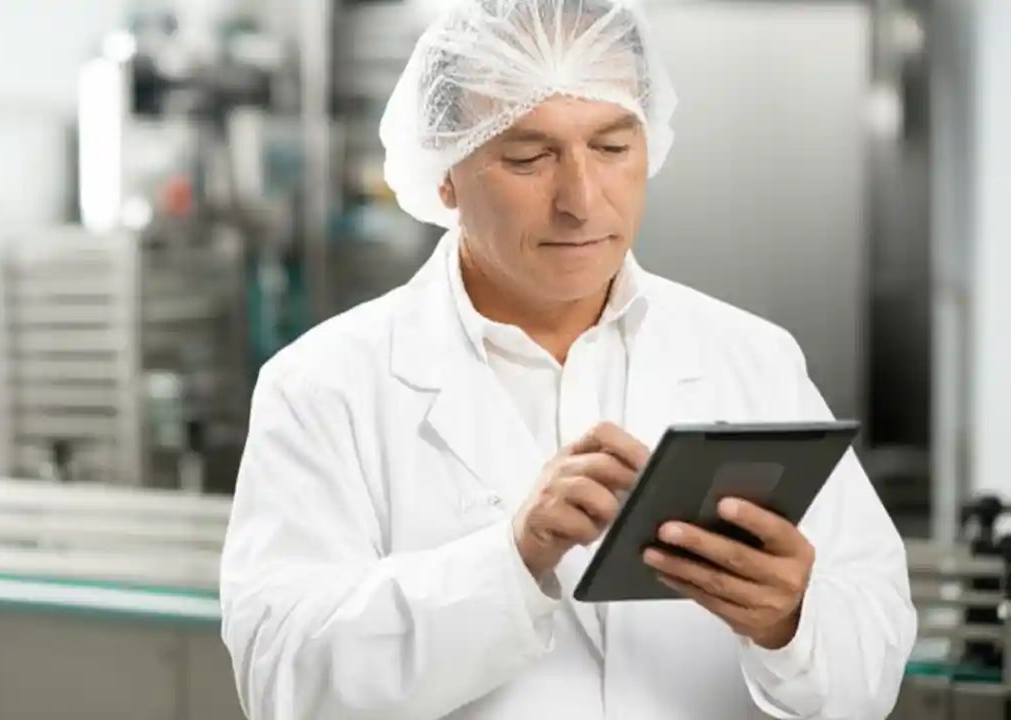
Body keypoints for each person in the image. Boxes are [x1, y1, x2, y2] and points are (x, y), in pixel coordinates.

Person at [219, 0, 916, 717]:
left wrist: (790, 621)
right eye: (530, 158)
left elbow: (876, 648)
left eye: (612, 148)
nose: (581, 201)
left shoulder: (752, 360)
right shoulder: (326, 385)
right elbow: (283, 679)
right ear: (445, 171)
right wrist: (511, 559)